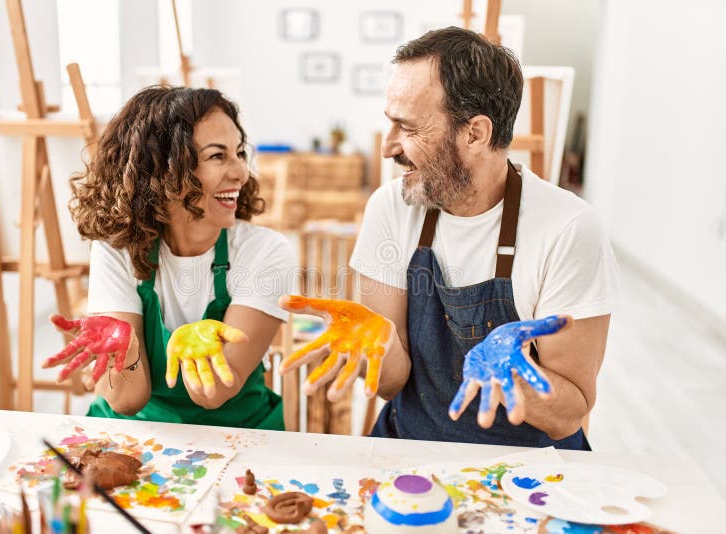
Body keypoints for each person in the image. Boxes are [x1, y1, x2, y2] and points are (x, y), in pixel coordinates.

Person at [279, 27, 618, 449]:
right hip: (411, 445)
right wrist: (378, 343)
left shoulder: (568, 229)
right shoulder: (392, 207)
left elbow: (569, 414)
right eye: (390, 124)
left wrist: (515, 380)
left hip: (530, 468)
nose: (387, 148)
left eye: (408, 128)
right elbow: (393, 383)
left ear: (474, 133)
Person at [43, 86, 295, 430]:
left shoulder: (265, 251)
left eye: (238, 153)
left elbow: (214, 393)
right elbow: (127, 400)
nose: (241, 172)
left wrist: (195, 343)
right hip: (140, 435)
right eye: (217, 156)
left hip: (238, 433)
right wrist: (123, 347)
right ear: (162, 171)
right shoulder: (117, 249)